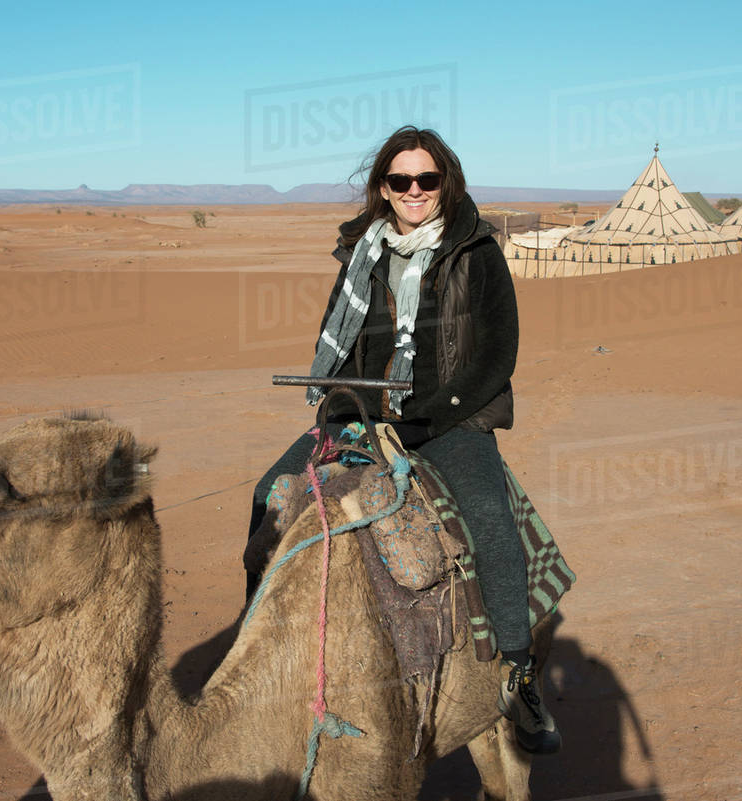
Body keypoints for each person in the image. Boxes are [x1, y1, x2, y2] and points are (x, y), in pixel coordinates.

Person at [244, 125, 554, 751]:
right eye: (400, 180)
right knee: (269, 493)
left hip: (448, 417)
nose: (414, 191)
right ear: (382, 188)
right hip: (362, 411)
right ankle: (254, 647)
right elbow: (340, 344)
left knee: (488, 516)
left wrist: (432, 415)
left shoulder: (475, 252)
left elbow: (497, 353)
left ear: (446, 183)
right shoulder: (362, 252)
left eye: (427, 180)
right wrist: (340, 403)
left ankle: (518, 672)